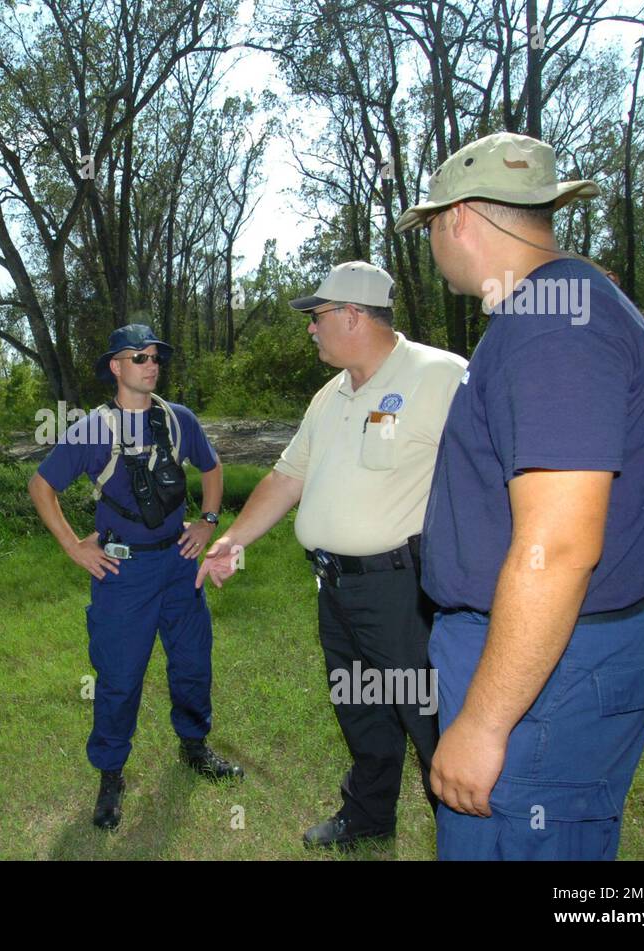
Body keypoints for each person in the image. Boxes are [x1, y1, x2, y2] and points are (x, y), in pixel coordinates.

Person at [393, 131, 644, 860]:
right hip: (543, 657)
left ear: (458, 219)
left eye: (430, 229)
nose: (432, 243)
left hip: (544, 670)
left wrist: (484, 723)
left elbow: (560, 548)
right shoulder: (558, 307)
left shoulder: (553, 323)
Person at [197, 262, 466, 850]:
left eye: (317, 318)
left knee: (429, 720)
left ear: (353, 315)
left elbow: (490, 474)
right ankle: (368, 815)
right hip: (336, 588)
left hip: (405, 590)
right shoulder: (331, 394)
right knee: (360, 708)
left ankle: (463, 837)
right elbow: (288, 476)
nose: (312, 330)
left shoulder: (441, 377)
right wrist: (232, 539)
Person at [28, 323, 243, 831]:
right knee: (120, 679)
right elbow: (41, 486)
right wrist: (72, 545)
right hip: (122, 572)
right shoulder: (91, 429)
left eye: (155, 357)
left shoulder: (178, 420)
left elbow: (211, 470)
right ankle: (111, 776)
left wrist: (207, 521)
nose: (151, 364)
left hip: (178, 565)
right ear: (116, 367)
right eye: (139, 357)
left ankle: (194, 745)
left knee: (192, 662)